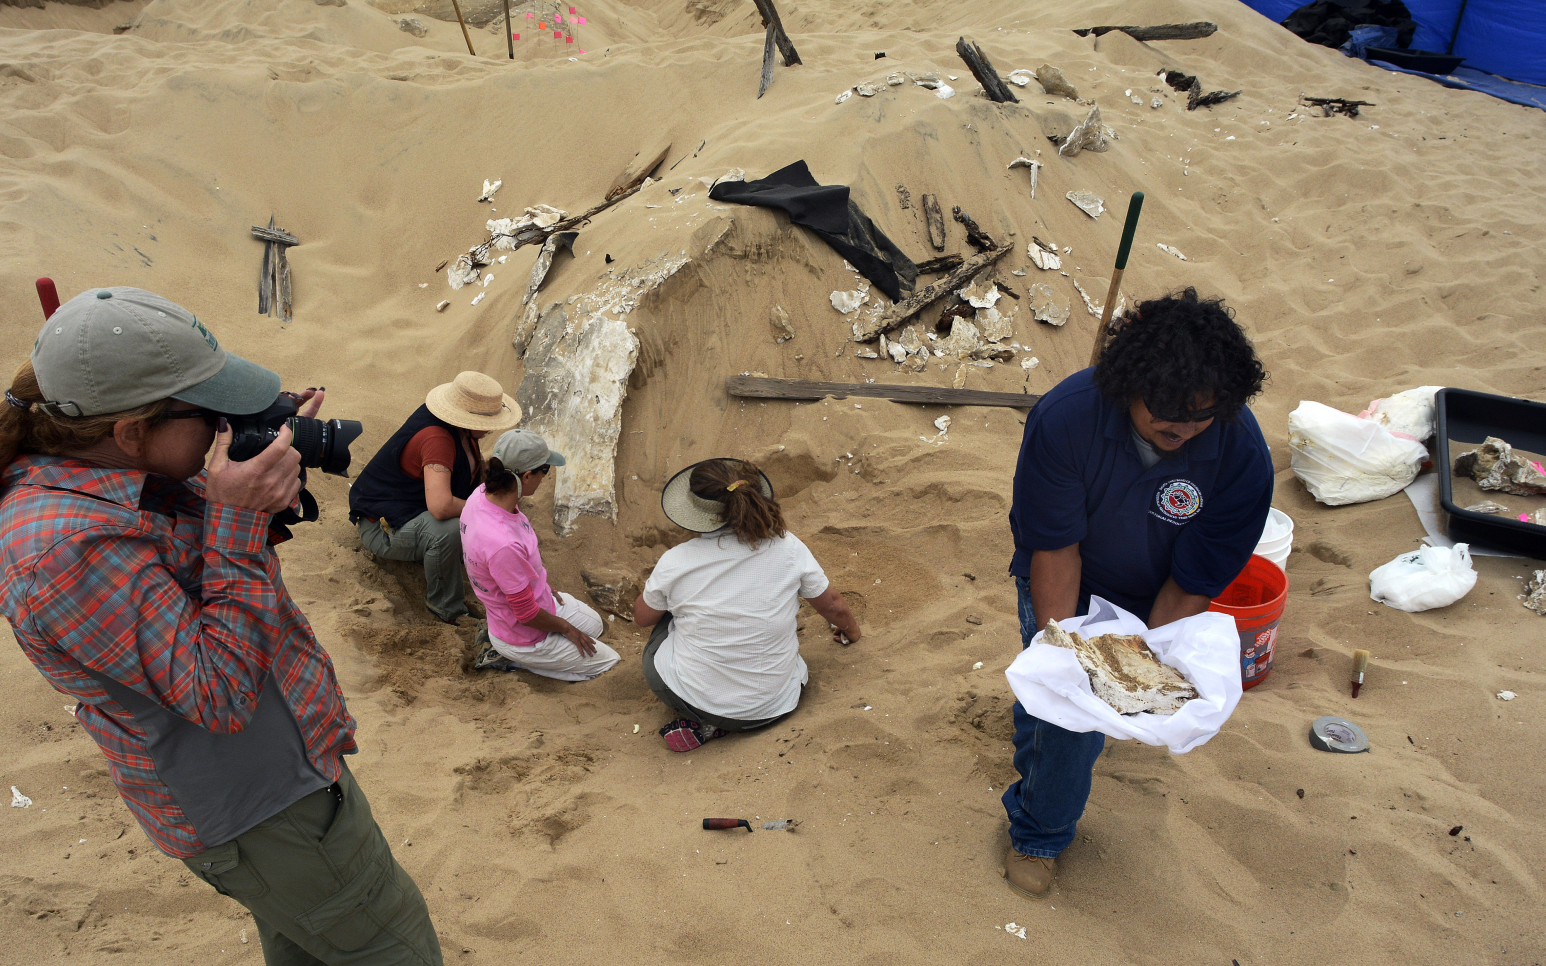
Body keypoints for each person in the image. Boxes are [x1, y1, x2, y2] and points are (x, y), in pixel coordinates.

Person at [0, 286, 441, 964]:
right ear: (130, 430)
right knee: (396, 945)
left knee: (311, 949)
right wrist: (237, 520)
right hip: (261, 809)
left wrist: (258, 486)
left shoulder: (118, 474)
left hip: (280, 780)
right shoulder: (61, 553)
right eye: (211, 413)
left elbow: (189, 562)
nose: (223, 427)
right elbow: (219, 693)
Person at [1001, 288, 1272, 899]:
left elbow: (1193, 579)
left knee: (1111, 702)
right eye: (1166, 415)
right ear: (1130, 386)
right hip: (1067, 572)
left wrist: (1145, 663)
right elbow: (1056, 552)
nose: (1182, 430)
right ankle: (1040, 834)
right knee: (1067, 710)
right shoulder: (1065, 418)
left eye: (1200, 418)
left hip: (1159, 586)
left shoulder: (1242, 456)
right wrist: (1064, 654)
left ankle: (1044, 740)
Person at [631, 458, 862, 752]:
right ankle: (721, 723)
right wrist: (852, 631)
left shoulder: (676, 560)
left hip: (701, 701)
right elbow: (833, 606)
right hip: (778, 704)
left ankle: (710, 721)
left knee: (664, 619)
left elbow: (642, 617)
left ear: (696, 513)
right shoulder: (788, 546)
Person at [348, 371, 520, 623]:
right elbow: (441, 507)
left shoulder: (460, 429)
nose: (490, 430)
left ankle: (441, 557)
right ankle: (446, 607)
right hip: (382, 526)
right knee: (449, 531)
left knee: (482, 511)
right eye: (487, 423)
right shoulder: (438, 439)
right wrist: (489, 508)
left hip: (413, 508)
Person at [462, 429, 620, 681]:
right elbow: (526, 614)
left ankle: (521, 650)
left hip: (531, 601)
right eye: (544, 470)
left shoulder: (481, 495)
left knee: (595, 626)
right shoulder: (502, 544)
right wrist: (566, 629)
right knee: (610, 663)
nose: (545, 477)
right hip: (524, 636)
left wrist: (540, 583)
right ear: (526, 476)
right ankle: (511, 659)